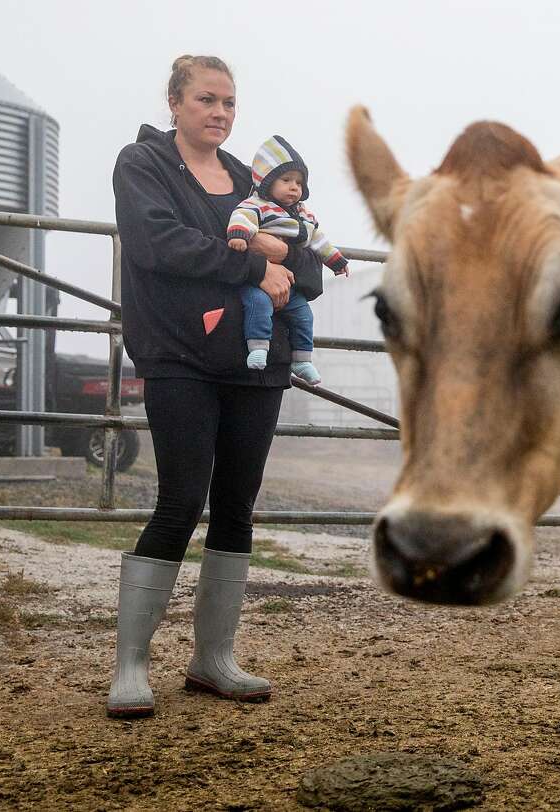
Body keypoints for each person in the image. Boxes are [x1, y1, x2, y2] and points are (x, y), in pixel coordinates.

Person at [107, 54, 325, 718]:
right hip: (179, 358)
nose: (220, 113)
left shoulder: (251, 181)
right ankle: (131, 668)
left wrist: (276, 257)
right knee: (179, 502)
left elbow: (311, 269)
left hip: (256, 366)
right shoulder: (141, 165)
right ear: (174, 102)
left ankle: (213, 659)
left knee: (237, 506)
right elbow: (158, 245)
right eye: (206, 100)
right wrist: (254, 269)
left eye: (229, 103)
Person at [226, 135, 350, 385]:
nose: (295, 187)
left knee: (304, 314)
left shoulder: (304, 214)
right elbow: (242, 217)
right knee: (257, 304)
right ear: (267, 182)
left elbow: (318, 239)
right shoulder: (257, 205)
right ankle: (258, 347)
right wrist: (239, 235)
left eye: (299, 182)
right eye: (286, 180)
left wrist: (335, 260)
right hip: (256, 279)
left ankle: (302, 359)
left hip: (289, 282)